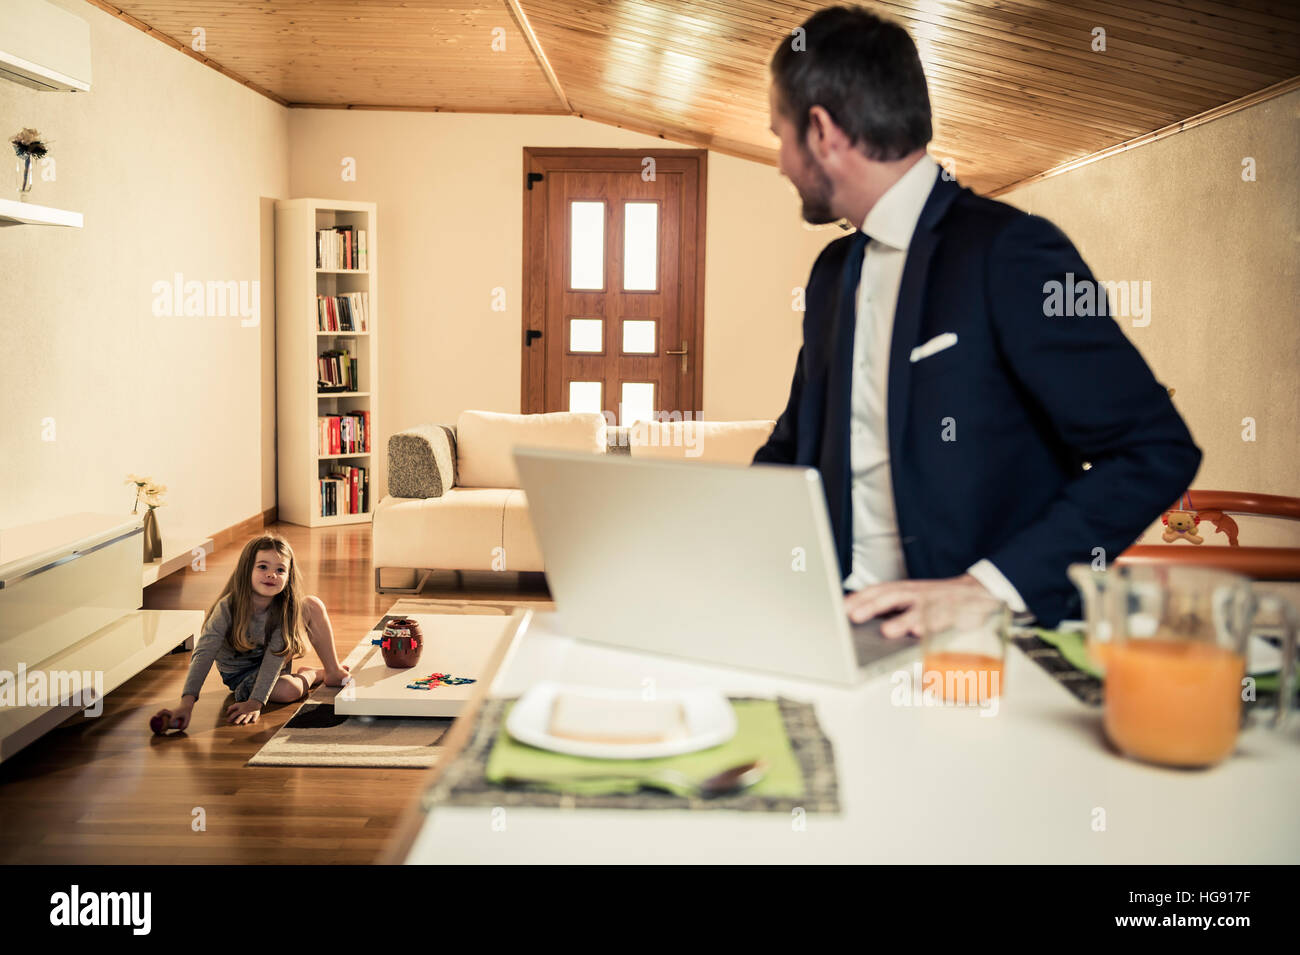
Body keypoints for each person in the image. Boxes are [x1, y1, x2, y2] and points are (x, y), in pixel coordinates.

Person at [752, 5, 1201, 637]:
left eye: (780, 134)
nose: (779, 161)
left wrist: (986, 590)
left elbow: (1154, 451)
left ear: (822, 131)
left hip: (981, 644)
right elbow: (793, 450)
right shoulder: (832, 273)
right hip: (835, 625)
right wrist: (727, 542)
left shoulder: (1014, 251)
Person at [152, 534, 351, 729]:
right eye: (263, 567)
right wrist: (186, 705)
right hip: (242, 676)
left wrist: (256, 702)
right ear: (247, 570)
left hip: (274, 662)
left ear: (288, 576)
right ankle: (314, 675)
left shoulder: (284, 609)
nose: (271, 574)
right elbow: (203, 654)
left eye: (280, 570)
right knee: (288, 690)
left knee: (312, 604)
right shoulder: (227, 608)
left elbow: (274, 658)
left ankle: (332, 670)